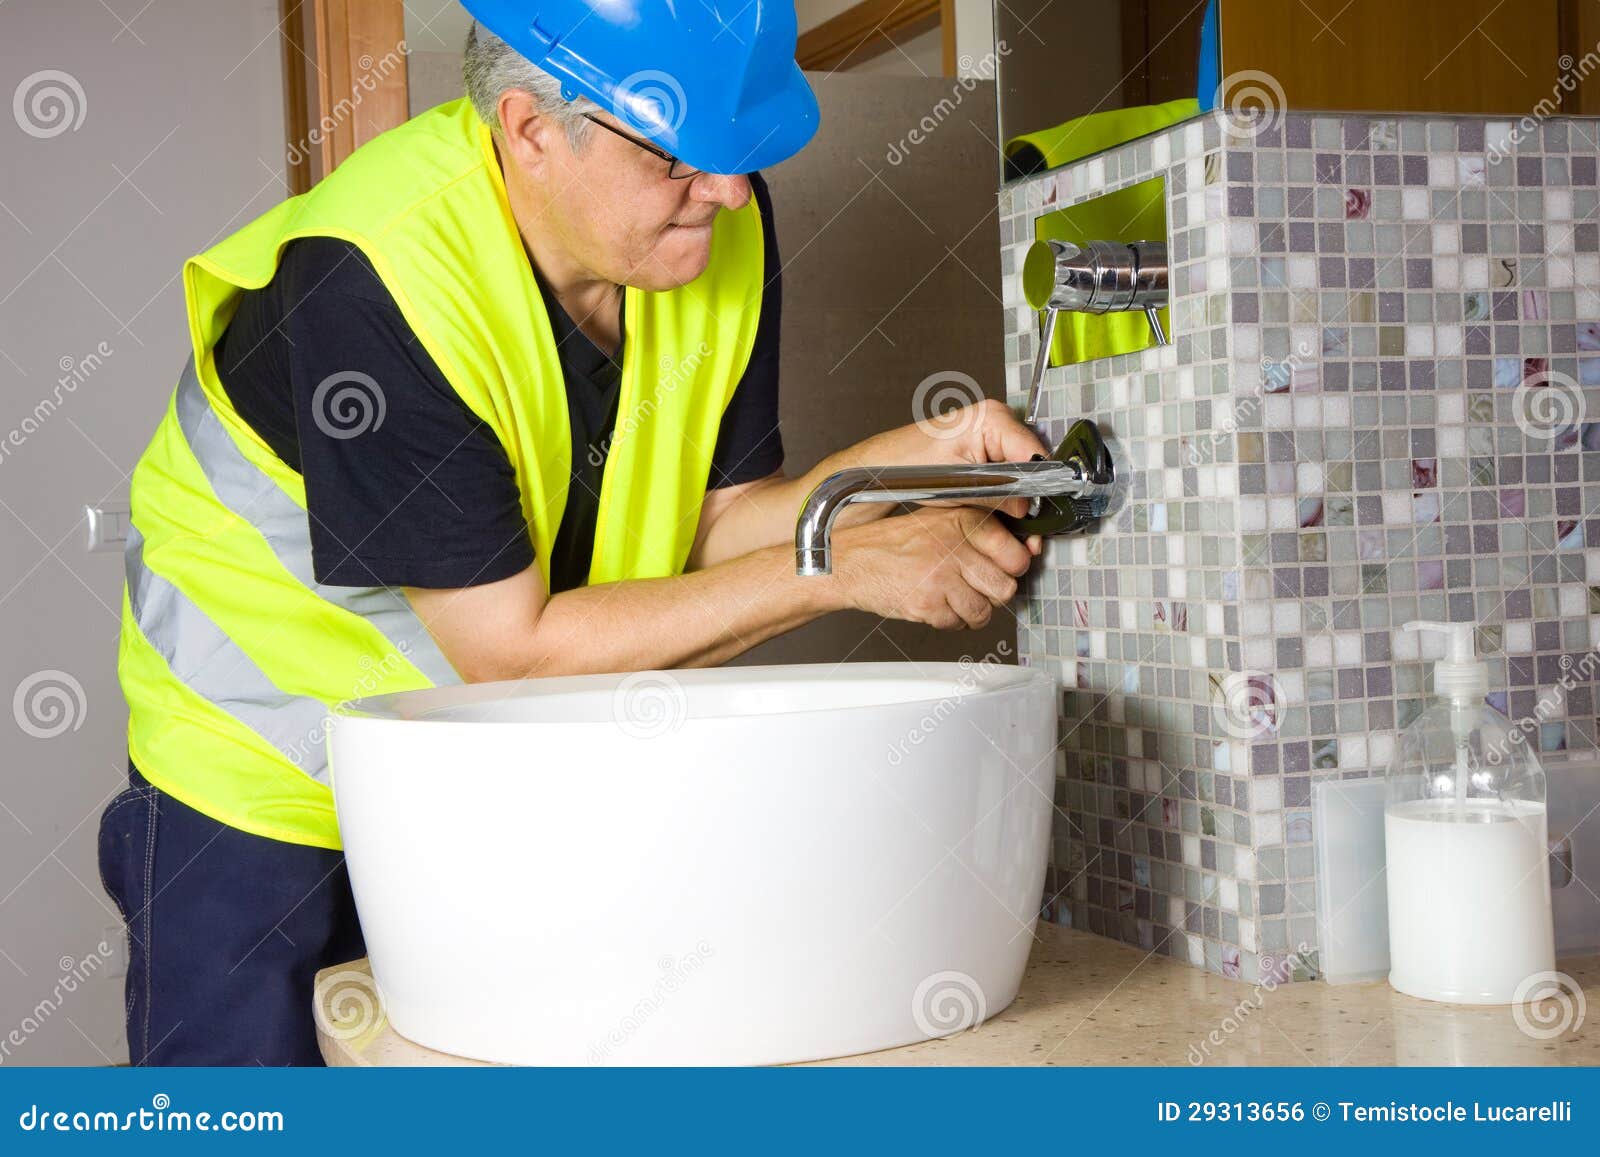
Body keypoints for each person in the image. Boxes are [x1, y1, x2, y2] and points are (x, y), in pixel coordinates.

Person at [99, 0, 1047, 1065]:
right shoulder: (375, 277)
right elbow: (513, 652)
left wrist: (903, 466)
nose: (729, 190)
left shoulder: (713, 220)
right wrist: (835, 568)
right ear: (532, 126)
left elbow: (719, 522)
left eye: (740, 152)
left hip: (472, 758)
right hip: (260, 771)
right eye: (679, 155)